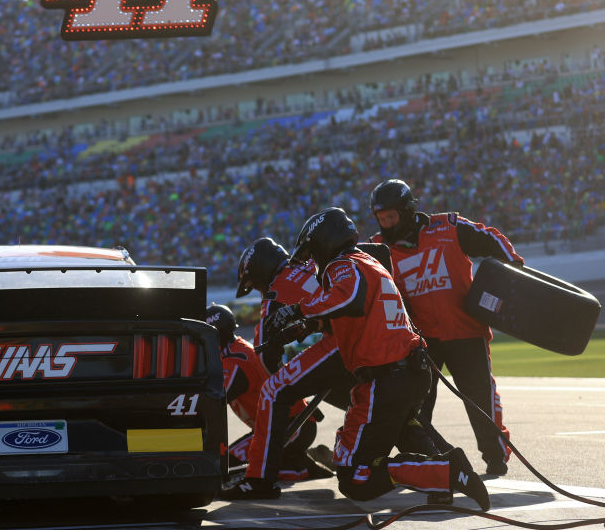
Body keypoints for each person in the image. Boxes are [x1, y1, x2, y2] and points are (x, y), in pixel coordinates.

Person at [255, 208, 490, 510]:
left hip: (385, 377)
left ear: (324, 243)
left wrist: (298, 310)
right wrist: (306, 326)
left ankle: (445, 472)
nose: (313, 262)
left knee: (355, 479)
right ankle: (445, 475)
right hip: (408, 371)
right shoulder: (368, 262)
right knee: (406, 429)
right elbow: (357, 309)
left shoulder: (342, 265)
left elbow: (349, 297)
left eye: (313, 253)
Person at [369, 179, 521, 475]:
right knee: (414, 403)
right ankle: (427, 458)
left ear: (408, 210)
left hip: (466, 332)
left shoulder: (448, 227)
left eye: (391, 217)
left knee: (481, 398)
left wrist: (513, 267)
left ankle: (495, 455)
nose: (386, 224)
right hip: (421, 343)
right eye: (381, 218)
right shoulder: (377, 249)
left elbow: (492, 239)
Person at [205, 303, 331, 492]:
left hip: (294, 424)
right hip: (278, 424)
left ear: (216, 333)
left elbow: (214, 400)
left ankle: (303, 466)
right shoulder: (231, 350)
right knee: (229, 461)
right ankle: (300, 460)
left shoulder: (235, 359)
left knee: (225, 464)